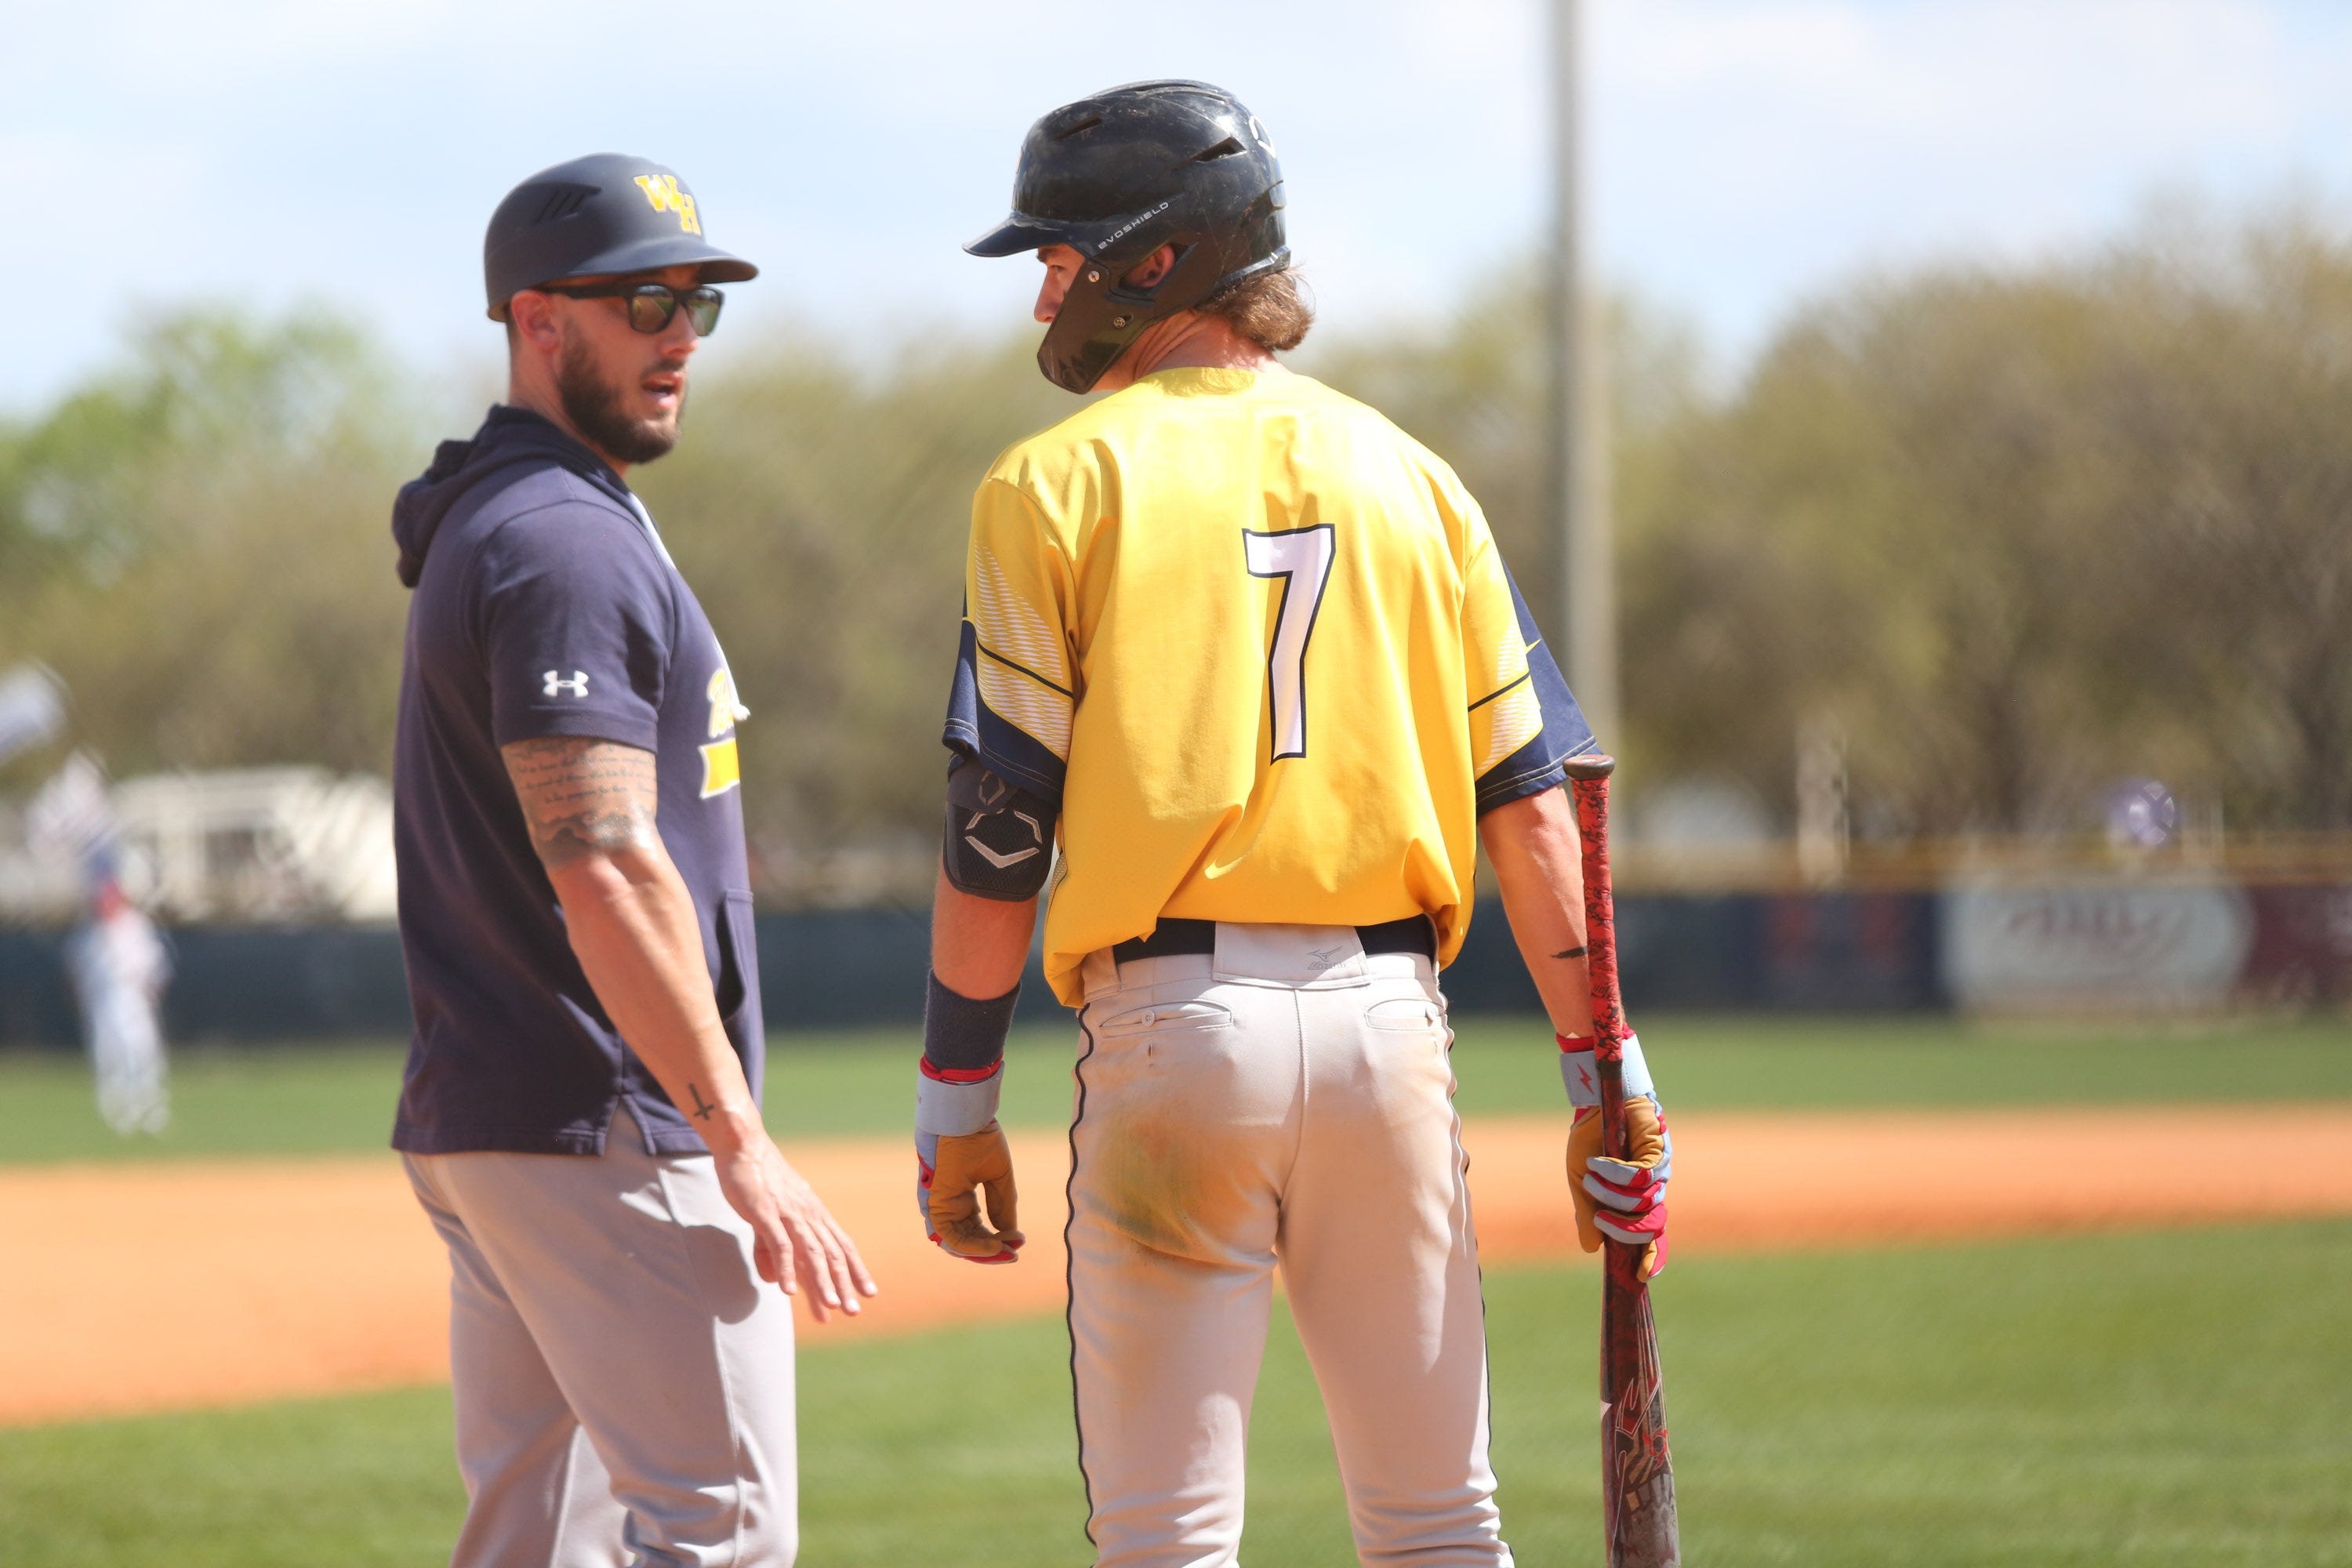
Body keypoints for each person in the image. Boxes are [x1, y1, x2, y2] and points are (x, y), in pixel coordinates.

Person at [913, 82, 1672, 1566]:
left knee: (1165, 1539)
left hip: (1176, 1042)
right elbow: (1531, 805)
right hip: (1392, 1033)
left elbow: (1000, 821)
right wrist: (1608, 1069)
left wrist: (956, 1096)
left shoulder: (1053, 483)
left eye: (1061, 261)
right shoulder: (1418, 479)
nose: (1042, 297)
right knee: (1444, 1521)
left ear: (1156, 262)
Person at [390, 153, 874, 1568]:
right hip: (609, 1115)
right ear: (539, 323)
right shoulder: (558, 541)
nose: (680, 336)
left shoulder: (526, 516)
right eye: (646, 301)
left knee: (540, 1544)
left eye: (700, 306)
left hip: (513, 1111)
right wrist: (737, 1138)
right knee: (717, 1534)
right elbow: (601, 858)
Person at [66, 872, 172, 1136]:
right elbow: (76, 973)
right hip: (103, 1000)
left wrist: (151, 994)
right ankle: (114, 1112)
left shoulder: (136, 928)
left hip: (134, 998)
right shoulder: (89, 933)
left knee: (143, 1053)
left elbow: (156, 967)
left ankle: (149, 1108)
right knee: (108, 1055)